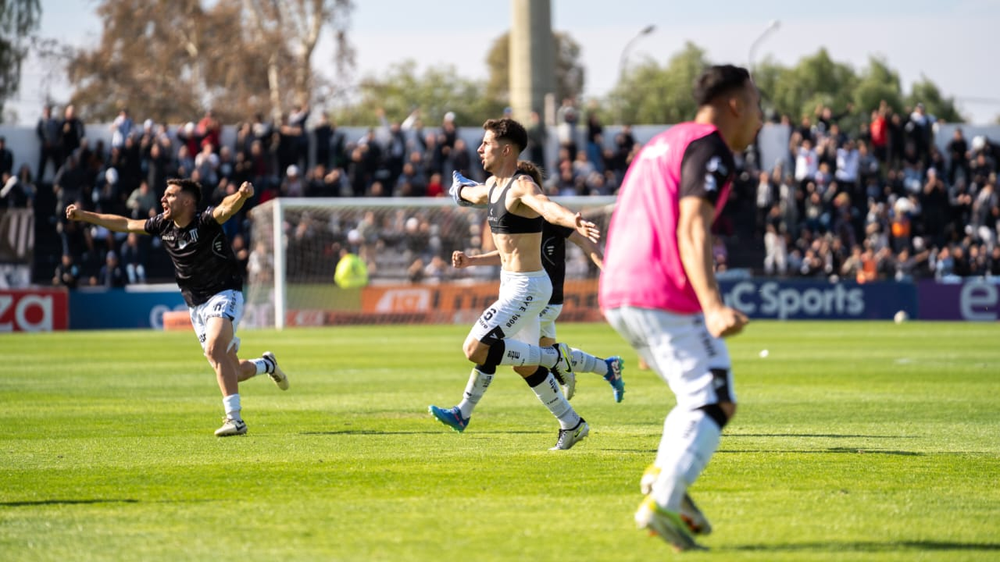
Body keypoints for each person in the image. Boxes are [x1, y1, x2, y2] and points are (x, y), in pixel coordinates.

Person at [599, 64, 761, 551]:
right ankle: (665, 498)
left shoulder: (659, 145)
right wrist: (712, 304)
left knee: (698, 395)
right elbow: (693, 224)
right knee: (712, 398)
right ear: (735, 104)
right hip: (659, 289)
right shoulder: (709, 146)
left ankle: (663, 481)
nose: (758, 119)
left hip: (620, 289)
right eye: (756, 106)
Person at [65, 178, 290, 437]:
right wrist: (85, 216)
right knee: (233, 371)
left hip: (224, 292)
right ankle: (267, 364)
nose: (163, 199)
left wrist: (240, 195)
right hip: (196, 306)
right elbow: (126, 224)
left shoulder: (204, 221)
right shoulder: (162, 224)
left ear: (187, 202)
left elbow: (225, 209)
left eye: (169, 195)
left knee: (214, 348)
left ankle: (235, 419)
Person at [428, 117, 599, 451]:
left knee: (475, 348)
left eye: (487, 143)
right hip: (511, 285)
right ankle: (572, 423)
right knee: (523, 364)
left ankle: (555, 358)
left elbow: (547, 207)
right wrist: (458, 187)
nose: (480, 148)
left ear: (506, 150)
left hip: (529, 288)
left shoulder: (521, 185)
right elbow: (471, 193)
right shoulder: (493, 186)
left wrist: (571, 218)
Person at [452, 160, 625, 403]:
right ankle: (606, 368)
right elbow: (506, 255)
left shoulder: (549, 214)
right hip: (535, 295)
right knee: (535, 355)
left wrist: (610, 273)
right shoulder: (518, 216)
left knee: (494, 347)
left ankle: (464, 410)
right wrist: (472, 261)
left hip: (542, 297)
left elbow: (586, 242)